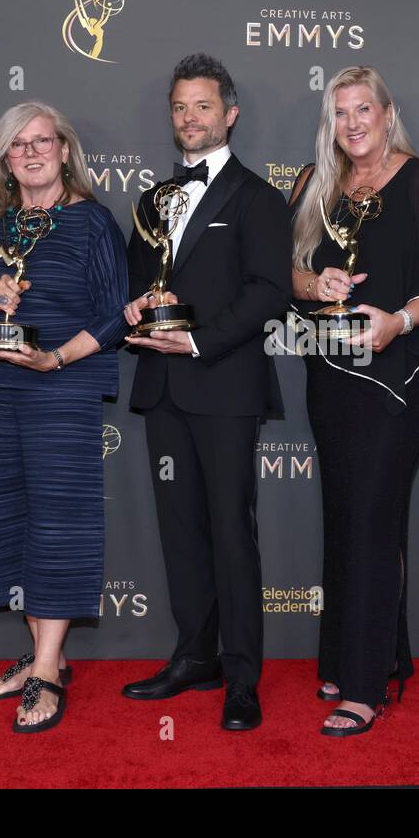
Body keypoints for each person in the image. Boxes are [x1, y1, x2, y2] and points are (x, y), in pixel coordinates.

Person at [0, 101, 129, 733]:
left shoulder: (94, 223)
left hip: (61, 390)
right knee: (5, 521)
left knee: (59, 525)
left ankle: (46, 666)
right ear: (5, 159)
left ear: (65, 150)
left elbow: (114, 314)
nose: (32, 153)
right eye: (18, 145)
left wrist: (55, 359)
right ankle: (48, 653)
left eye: (42, 141)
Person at [290, 66, 419, 737]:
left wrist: (397, 320)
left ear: (389, 113)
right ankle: (360, 652)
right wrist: (315, 283)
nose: (353, 122)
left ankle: (365, 687)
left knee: (370, 514)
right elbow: (282, 270)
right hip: (333, 372)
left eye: (364, 108)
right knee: (345, 511)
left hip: (403, 371)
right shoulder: (314, 183)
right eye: (341, 112)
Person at [120, 54, 292, 731]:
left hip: (223, 385)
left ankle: (242, 675)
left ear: (230, 113)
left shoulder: (257, 197)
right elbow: (141, 282)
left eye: (202, 106)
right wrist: (139, 306)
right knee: (180, 531)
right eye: (179, 106)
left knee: (231, 532)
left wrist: (195, 340)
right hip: (162, 387)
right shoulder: (151, 200)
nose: (190, 118)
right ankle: (194, 654)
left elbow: (269, 293)